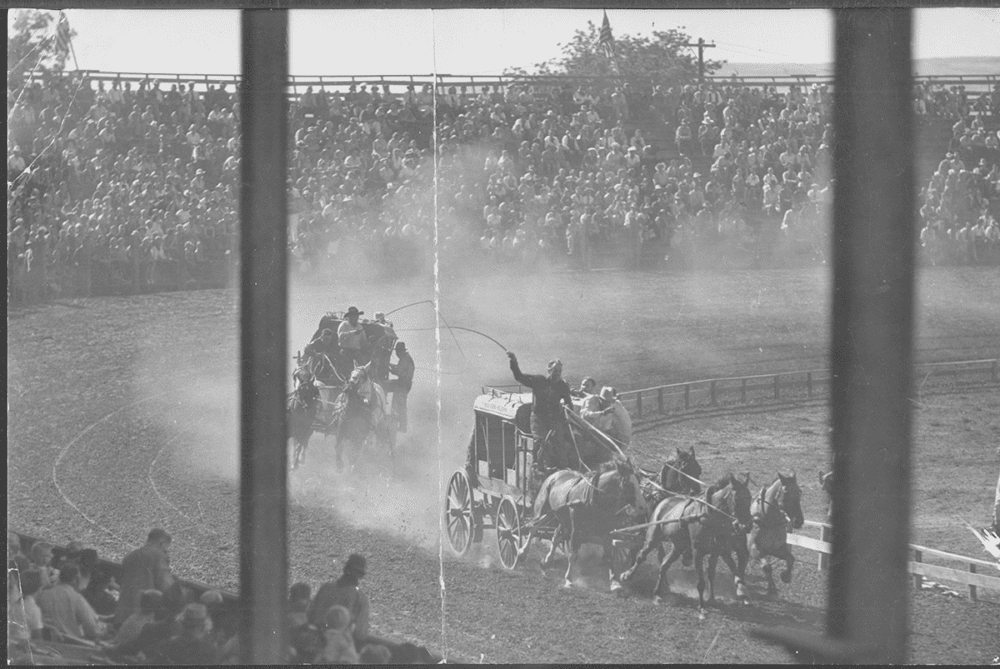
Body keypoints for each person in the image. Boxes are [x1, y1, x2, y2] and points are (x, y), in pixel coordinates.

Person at [507, 351, 576, 472]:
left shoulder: (563, 386)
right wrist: (513, 361)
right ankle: (538, 468)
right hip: (538, 419)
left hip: (555, 420)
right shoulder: (539, 381)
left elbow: (568, 402)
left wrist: (568, 408)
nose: (557, 374)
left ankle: (564, 469)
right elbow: (519, 376)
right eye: (555, 371)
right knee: (541, 442)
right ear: (549, 371)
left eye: (559, 371)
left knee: (561, 443)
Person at [307, 554, 370, 647]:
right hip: (340, 646)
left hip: (315, 641)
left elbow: (310, 615)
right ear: (361, 575)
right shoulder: (360, 597)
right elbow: (361, 633)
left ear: (345, 569)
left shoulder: (326, 587)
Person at [115, 528, 174, 627]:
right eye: (165, 550)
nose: (166, 553)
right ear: (161, 543)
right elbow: (168, 587)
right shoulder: (158, 556)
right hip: (142, 620)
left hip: (121, 616)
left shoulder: (129, 556)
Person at [35, 562, 106, 640]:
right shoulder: (77, 598)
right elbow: (91, 627)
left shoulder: (42, 594)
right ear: (76, 579)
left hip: (46, 640)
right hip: (70, 642)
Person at [385, 341, 414, 432]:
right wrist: (390, 365)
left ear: (400, 351)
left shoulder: (405, 359)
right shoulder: (405, 358)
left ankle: (402, 426)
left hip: (403, 384)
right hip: (403, 383)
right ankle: (400, 424)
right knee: (400, 404)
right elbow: (398, 368)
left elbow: (398, 371)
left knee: (400, 405)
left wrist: (389, 368)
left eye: (397, 352)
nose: (397, 354)